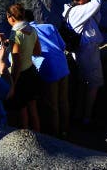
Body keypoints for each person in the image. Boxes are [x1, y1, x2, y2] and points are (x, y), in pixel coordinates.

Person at [62, 0, 104, 127]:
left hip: (79, 53)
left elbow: (94, 16)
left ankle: (78, 114)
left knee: (82, 83)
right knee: (93, 84)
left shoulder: (70, 9)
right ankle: (87, 118)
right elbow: (95, 5)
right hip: (87, 53)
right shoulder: (78, 11)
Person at [25, 8, 71, 137]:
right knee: (64, 101)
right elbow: (63, 46)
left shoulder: (25, 34)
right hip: (63, 66)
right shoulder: (49, 26)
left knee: (52, 106)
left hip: (48, 69)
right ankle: (65, 130)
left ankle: (55, 136)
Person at [5, 3, 42, 132]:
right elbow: (37, 51)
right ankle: (40, 136)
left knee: (22, 110)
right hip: (31, 71)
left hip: (21, 76)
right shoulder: (32, 30)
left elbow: (16, 63)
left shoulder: (15, 34)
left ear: (11, 17)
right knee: (33, 108)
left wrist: (13, 83)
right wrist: (26, 48)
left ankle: (26, 139)